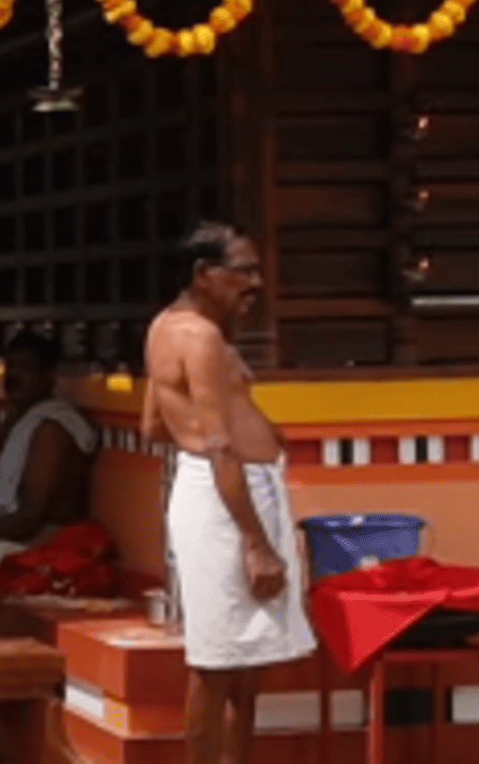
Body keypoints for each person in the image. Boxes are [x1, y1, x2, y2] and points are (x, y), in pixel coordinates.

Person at [144, 221, 314, 764]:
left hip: (227, 489)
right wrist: (256, 542)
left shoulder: (166, 328)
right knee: (217, 661)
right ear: (204, 273)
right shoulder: (200, 338)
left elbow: (152, 425)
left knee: (246, 659)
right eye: (243, 271)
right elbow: (220, 447)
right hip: (228, 497)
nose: (255, 282)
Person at [0, 330, 95, 577]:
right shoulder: (17, 420)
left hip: (40, 544)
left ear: (49, 377)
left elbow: (29, 518)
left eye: (26, 368)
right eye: (11, 367)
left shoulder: (52, 427)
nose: (14, 376)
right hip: (4, 537)